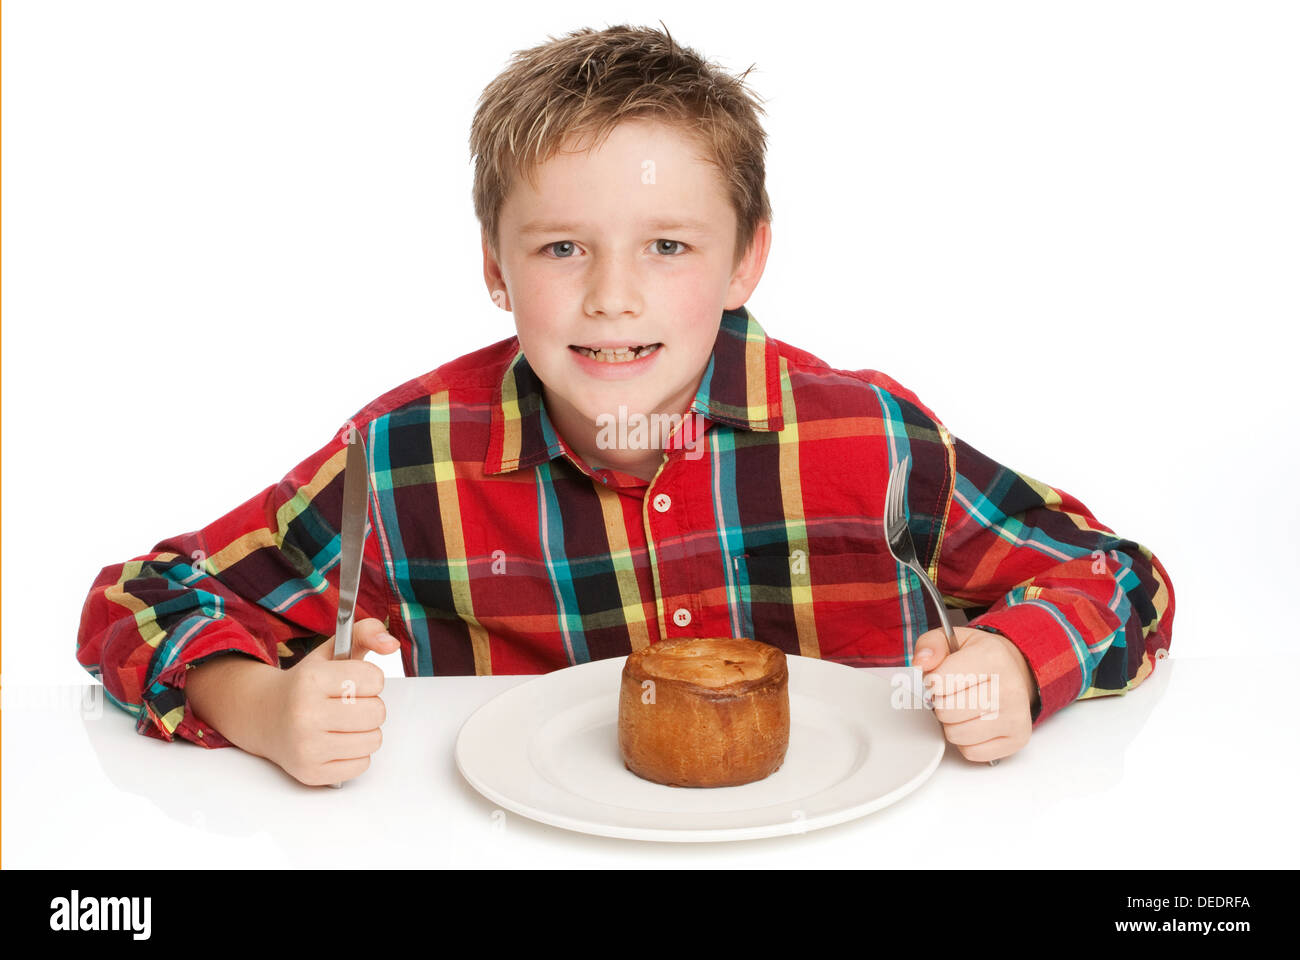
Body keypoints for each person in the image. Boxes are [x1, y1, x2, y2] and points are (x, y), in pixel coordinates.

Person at [76, 23, 1175, 786]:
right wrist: (261, 710)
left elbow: (1118, 574)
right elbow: (140, 599)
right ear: (496, 270)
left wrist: (1017, 666)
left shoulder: (866, 438)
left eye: (666, 246)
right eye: (561, 247)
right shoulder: (411, 458)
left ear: (747, 259)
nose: (610, 297)